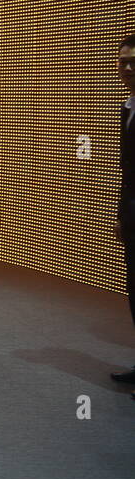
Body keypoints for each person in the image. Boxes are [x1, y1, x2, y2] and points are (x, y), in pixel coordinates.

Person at [113, 36, 135, 387]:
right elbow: (128, 169)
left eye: (134, 61)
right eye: (123, 62)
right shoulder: (128, 106)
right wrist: (121, 214)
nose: (128, 68)